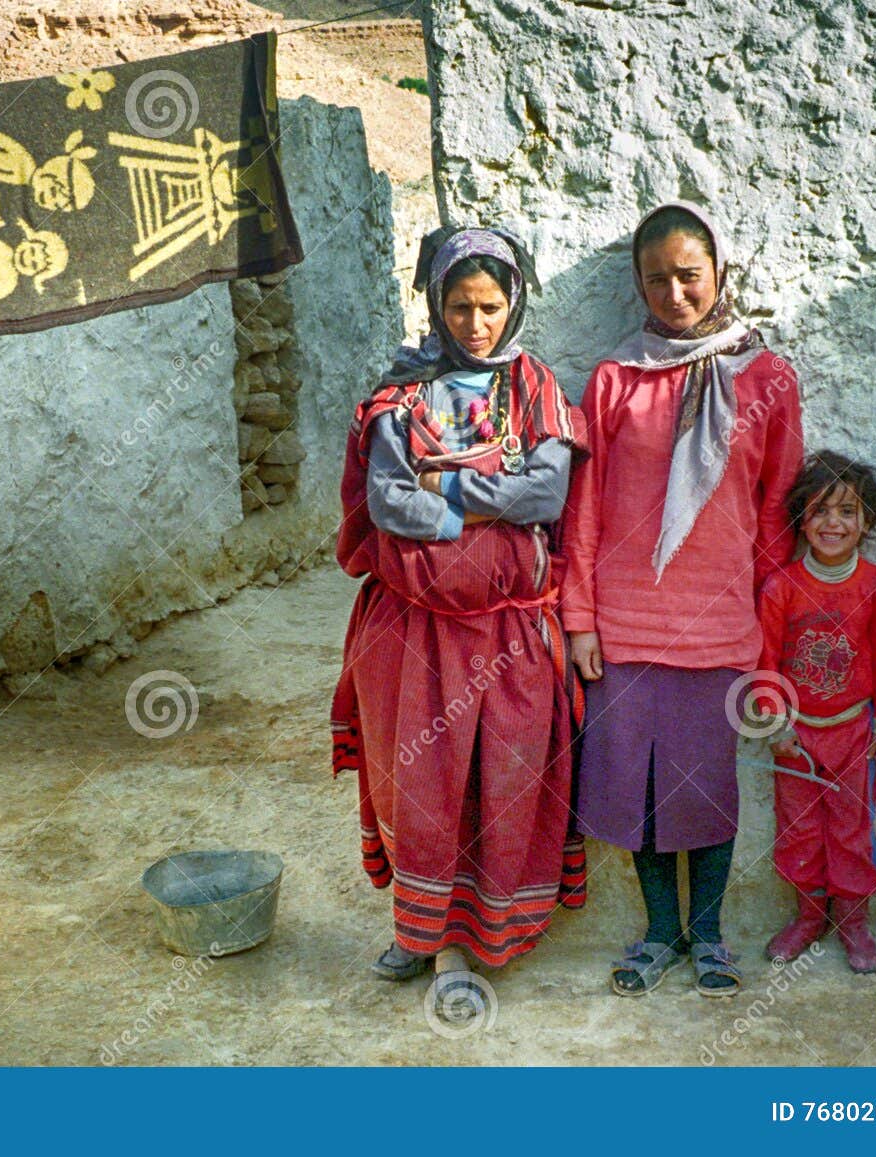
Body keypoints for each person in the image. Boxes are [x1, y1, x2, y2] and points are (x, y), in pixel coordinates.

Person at [331, 225, 587, 1003]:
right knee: (421, 784)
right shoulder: (400, 395)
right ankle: (424, 935)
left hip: (510, 633)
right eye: (459, 305)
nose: (476, 324)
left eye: (490, 305)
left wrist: (441, 489)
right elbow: (387, 503)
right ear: (436, 305)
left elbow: (546, 494)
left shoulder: (534, 387)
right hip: (413, 630)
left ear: (512, 304)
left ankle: (468, 941)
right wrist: (483, 508)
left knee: (495, 783)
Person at [564, 201, 804, 998]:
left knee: (705, 784)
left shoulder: (765, 378)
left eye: (689, 275)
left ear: (719, 273)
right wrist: (580, 618)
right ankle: (659, 931)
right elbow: (586, 504)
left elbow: (775, 512)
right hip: (625, 622)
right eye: (657, 278)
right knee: (634, 781)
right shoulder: (614, 379)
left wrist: (765, 620)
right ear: (638, 283)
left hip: (719, 621)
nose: (675, 293)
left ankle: (709, 935)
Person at [757, 451, 876, 973]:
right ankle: (808, 918)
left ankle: (854, 923)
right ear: (801, 520)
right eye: (819, 511)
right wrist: (775, 727)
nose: (832, 523)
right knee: (798, 829)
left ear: (866, 521)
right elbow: (765, 663)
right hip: (795, 738)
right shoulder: (781, 588)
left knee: (850, 829)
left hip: (855, 734)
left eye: (846, 511)